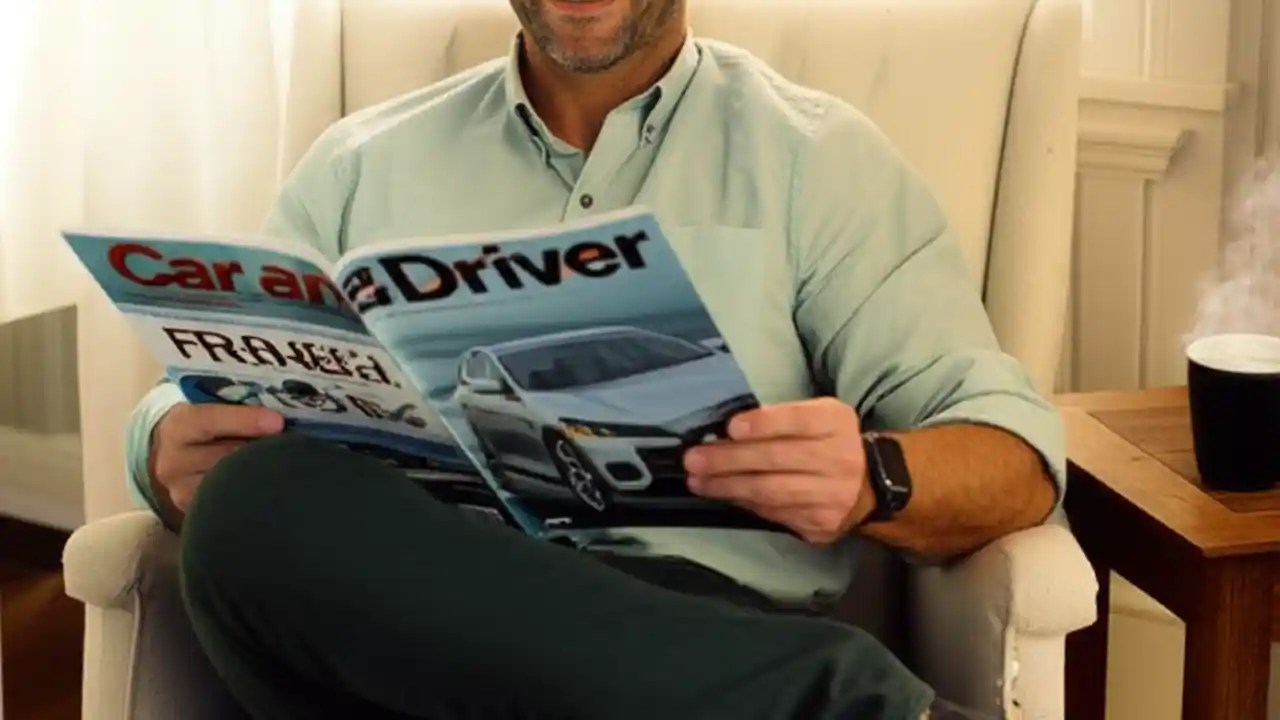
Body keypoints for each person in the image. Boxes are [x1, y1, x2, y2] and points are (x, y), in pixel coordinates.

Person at [126, 0, 1064, 717]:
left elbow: (1018, 460)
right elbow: (221, 377)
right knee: (256, 507)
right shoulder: (359, 164)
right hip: (401, 623)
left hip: (683, 640)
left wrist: (872, 478)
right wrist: (163, 437)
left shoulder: (816, 163)